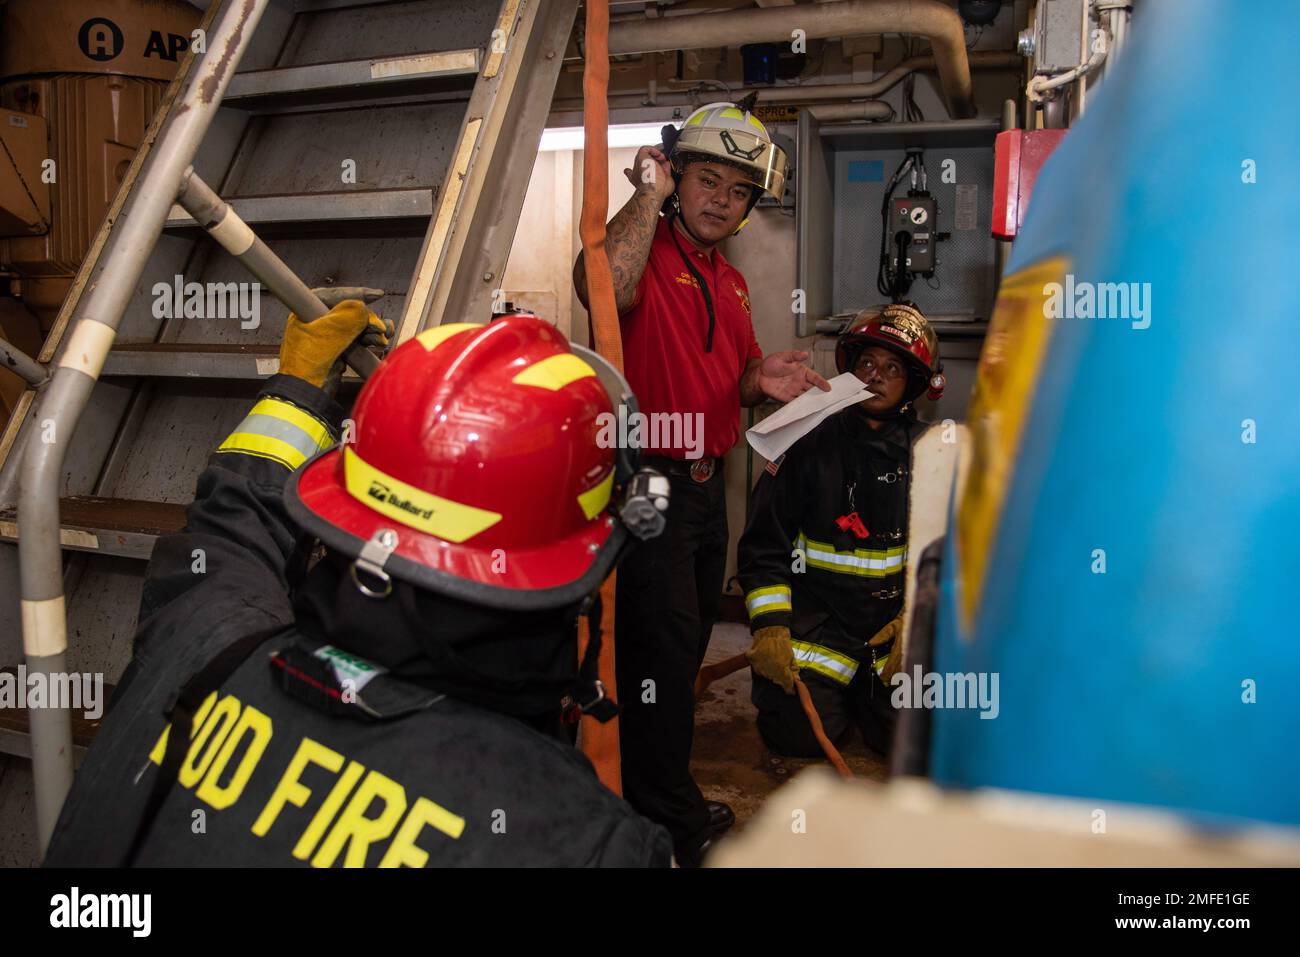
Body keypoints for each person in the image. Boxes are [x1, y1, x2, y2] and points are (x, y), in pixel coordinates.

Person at [43, 304, 672, 867]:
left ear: (342, 510)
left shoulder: (201, 636)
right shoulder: (583, 841)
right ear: (580, 572)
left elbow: (227, 530)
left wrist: (295, 388)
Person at [573, 101, 829, 866]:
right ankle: (666, 819)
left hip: (707, 488)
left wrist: (763, 376)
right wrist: (645, 195)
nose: (721, 198)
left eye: (738, 190)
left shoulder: (733, 281)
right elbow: (602, 291)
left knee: (678, 653)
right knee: (659, 651)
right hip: (647, 482)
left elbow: (733, 375)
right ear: (676, 176)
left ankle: (655, 789)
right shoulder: (641, 248)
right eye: (705, 179)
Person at [738, 302, 945, 759]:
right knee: (797, 737)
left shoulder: (934, 454)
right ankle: (840, 696)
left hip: (889, 636)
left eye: (893, 368)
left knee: (910, 744)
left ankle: (867, 697)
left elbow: (953, 558)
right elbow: (763, 546)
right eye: (867, 362)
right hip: (817, 628)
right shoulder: (804, 441)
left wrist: (916, 625)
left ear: (914, 382)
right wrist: (771, 627)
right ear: (850, 367)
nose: (876, 375)